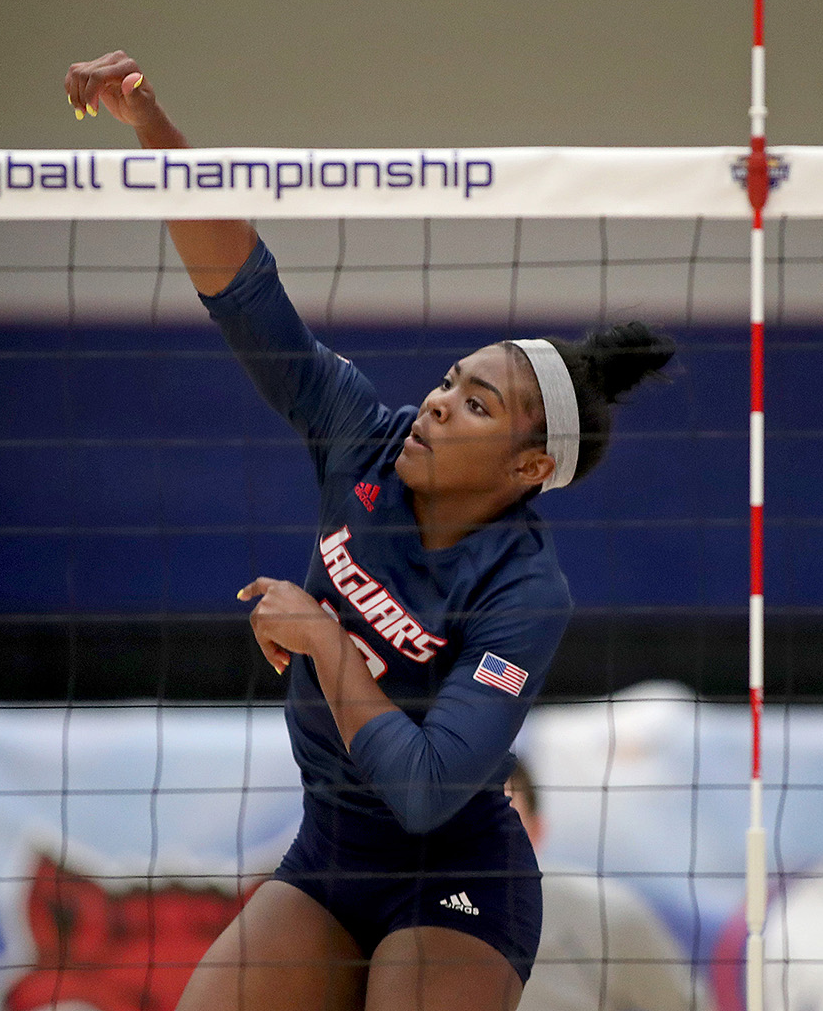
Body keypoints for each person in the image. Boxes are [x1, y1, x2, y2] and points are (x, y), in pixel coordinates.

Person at [63, 53, 676, 1011]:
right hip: (330, 851)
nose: (438, 403)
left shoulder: (524, 591)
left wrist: (320, 636)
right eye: (448, 380)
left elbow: (428, 789)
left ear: (529, 468)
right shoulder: (365, 441)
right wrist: (153, 128)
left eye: (476, 405)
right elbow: (246, 295)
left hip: (458, 882)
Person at [504, 761, 706, 1011]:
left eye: (500, 821)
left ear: (536, 831)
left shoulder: (607, 918)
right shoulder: (442, 935)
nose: (479, 840)